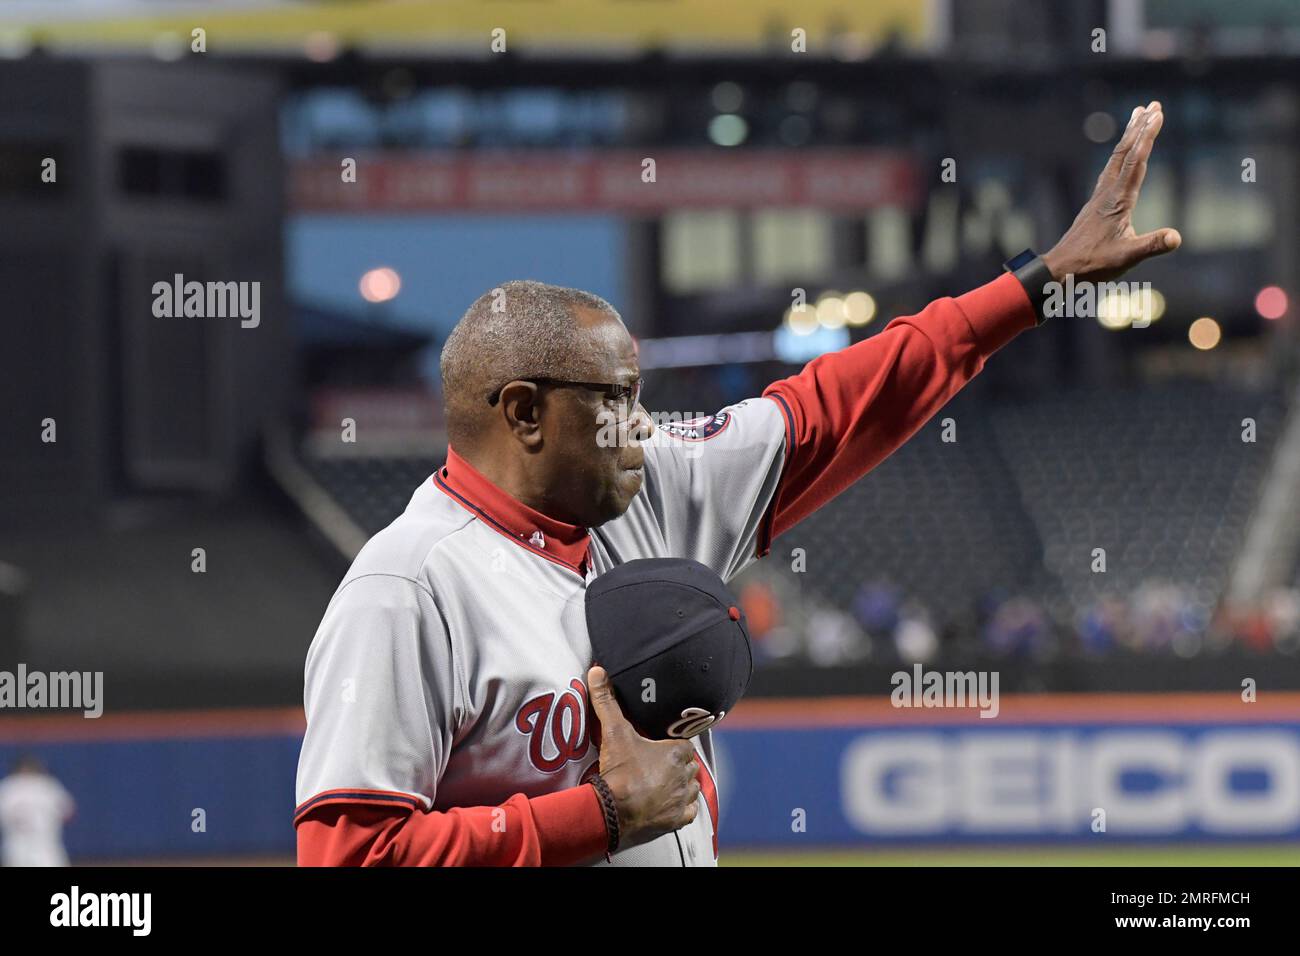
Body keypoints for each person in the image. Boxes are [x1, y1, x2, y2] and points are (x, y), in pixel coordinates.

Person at [294, 102, 1179, 866]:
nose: (644, 423)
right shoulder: (405, 589)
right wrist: (595, 816)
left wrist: (1038, 284)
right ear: (524, 412)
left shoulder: (648, 489)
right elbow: (348, 854)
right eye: (617, 398)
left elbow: (839, 401)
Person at [0, 754, 75, 867]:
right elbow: (69, 812)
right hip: (45, 844)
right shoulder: (47, 784)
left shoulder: (7, 786)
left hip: (15, 845)